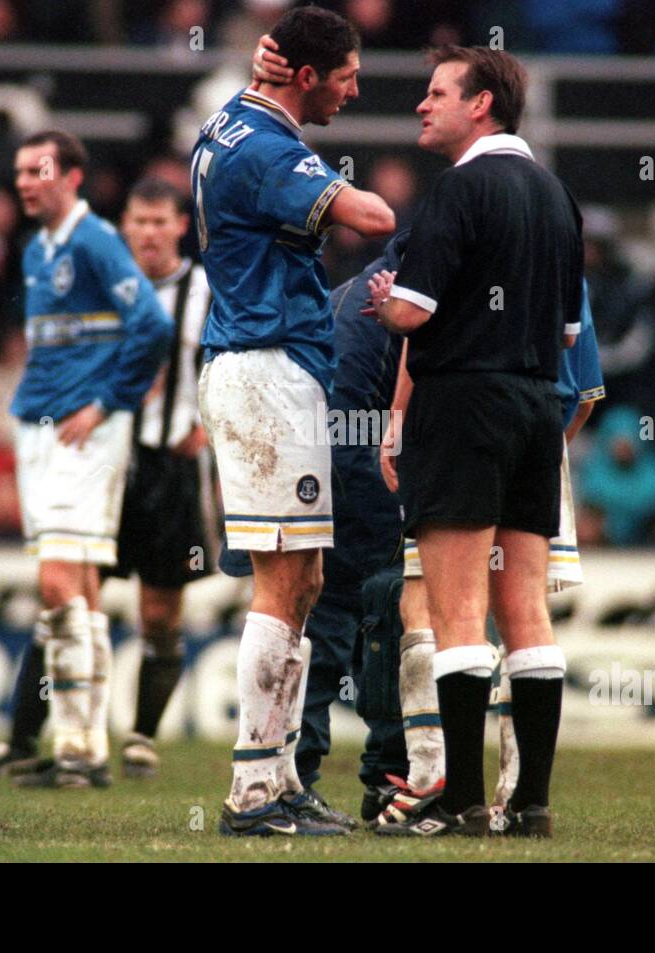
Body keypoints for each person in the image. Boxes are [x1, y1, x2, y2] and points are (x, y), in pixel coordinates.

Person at [369, 46, 583, 837]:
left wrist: (388, 302)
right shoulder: (558, 196)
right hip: (537, 410)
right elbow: (567, 335)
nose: (423, 106)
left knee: (459, 614)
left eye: (436, 94)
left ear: (482, 103)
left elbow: (414, 313)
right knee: (527, 609)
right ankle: (531, 805)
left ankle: (459, 802)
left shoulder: (459, 189)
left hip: (463, 407)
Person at [192, 5, 394, 836]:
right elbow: (375, 219)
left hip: (267, 369)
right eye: (345, 75)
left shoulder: (228, 125)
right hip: (265, 369)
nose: (353, 91)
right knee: (282, 584)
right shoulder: (274, 152)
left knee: (304, 580)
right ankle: (252, 795)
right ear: (305, 74)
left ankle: (279, 777)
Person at [0, 130, 173, 789]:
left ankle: (81, 746)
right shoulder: (37, 248)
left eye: (40, 170)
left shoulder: (95, 240)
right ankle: (84, 748)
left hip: (80, 432)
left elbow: (155, 327)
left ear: (74, 176)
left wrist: (106, 401)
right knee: (78, 585)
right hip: (41, 428)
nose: (25, 181)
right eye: (20, 170)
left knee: (57, 584)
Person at [111, 177, 216, 778]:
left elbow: (231, 362)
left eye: (160, 222)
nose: (148, 233)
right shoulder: (103, 285)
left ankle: (141, 737)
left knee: (158, 611)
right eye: (139, 221)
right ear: (125, 224)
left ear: (180, 226)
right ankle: (44, 740)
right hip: (103, 464)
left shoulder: (207, 290)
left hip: (172, 466)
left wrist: (211, 425)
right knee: (73, 599)